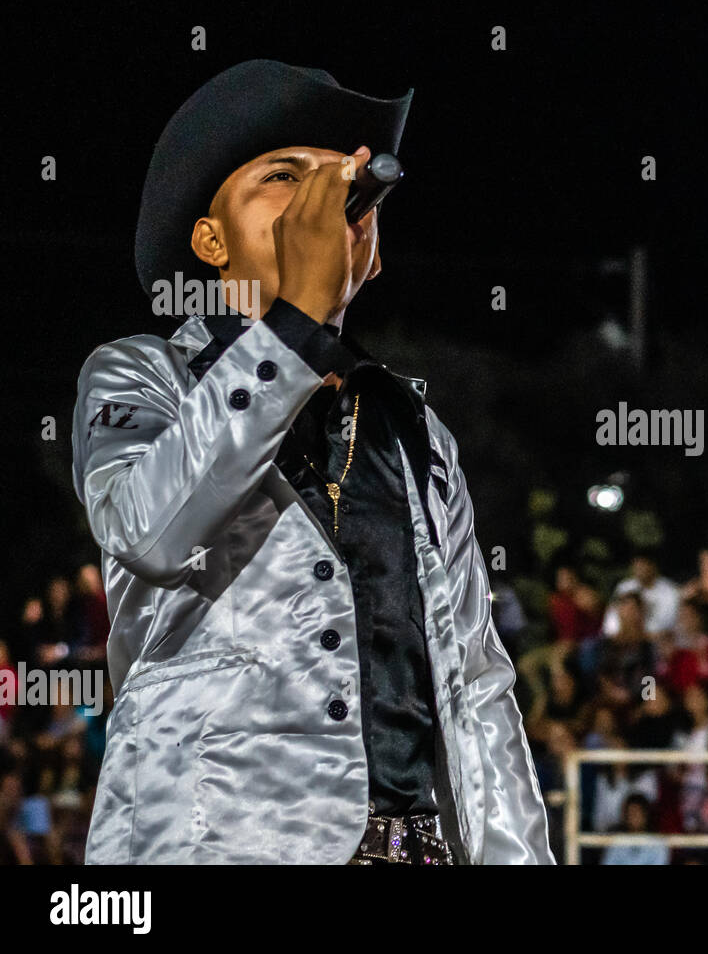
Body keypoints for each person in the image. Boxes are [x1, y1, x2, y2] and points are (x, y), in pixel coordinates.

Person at [70, 61, 551, 864]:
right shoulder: (142, 375)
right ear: (210, 239)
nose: (321, 206)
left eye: (344, 189)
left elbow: (476, 686)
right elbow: (147, 531)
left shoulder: (415, 430)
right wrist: (294, 322)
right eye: (284, 177)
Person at [601, 550, 681, 640]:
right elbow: (611, 620)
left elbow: (667, 625)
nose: (639, 569)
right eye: (636, 565)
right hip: (621, 639)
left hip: (655, 642)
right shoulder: (624, 587)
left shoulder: (670, 591)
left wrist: (643, 636)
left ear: (653, 566)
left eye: (642, 565)